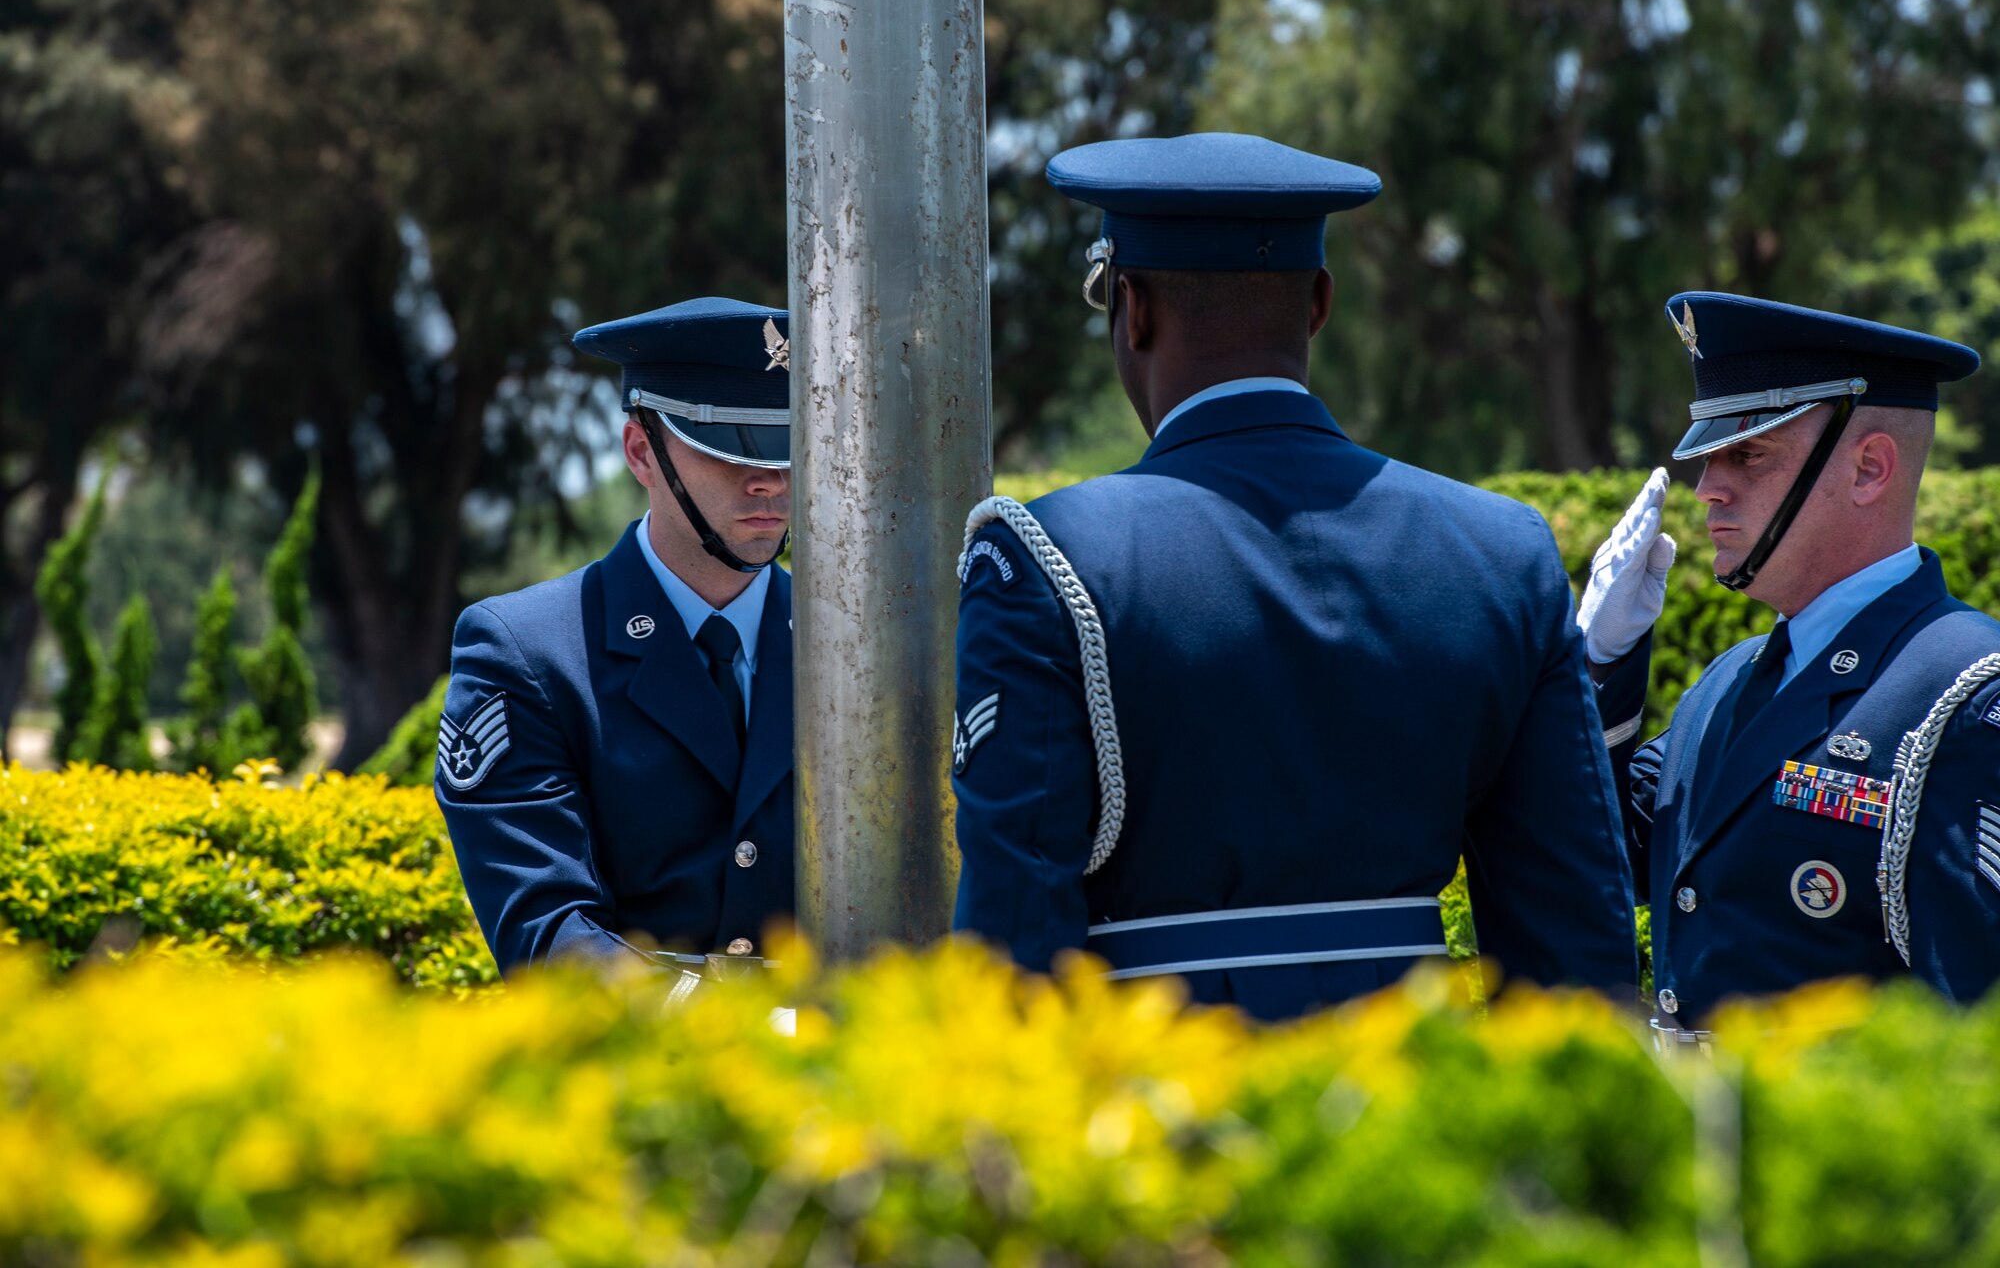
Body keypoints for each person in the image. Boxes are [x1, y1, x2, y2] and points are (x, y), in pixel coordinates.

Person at [949, 132, 1640, 1020]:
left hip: (1156, 1119)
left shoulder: (1048, 556)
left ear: (1132, 307)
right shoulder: (1501, 550)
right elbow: (1574, 949)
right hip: (1416, 1109)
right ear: (1318, 303)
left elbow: (1013, 949)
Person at [1582, 292, 2000, 1036]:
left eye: (1748, 451)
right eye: (1709, 455)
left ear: (1869, 468)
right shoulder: (1728, 682)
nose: (1708, 485)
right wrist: (1593, 666)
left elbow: (1973, 1028)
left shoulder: (1968, 694)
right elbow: (1598, 849)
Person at [435, 297, 795, 975]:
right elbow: (543, 928)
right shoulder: (528, 652)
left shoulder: (851, 645)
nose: (768, 481)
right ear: (641, 452)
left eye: (788, 446)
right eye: (733, 447)